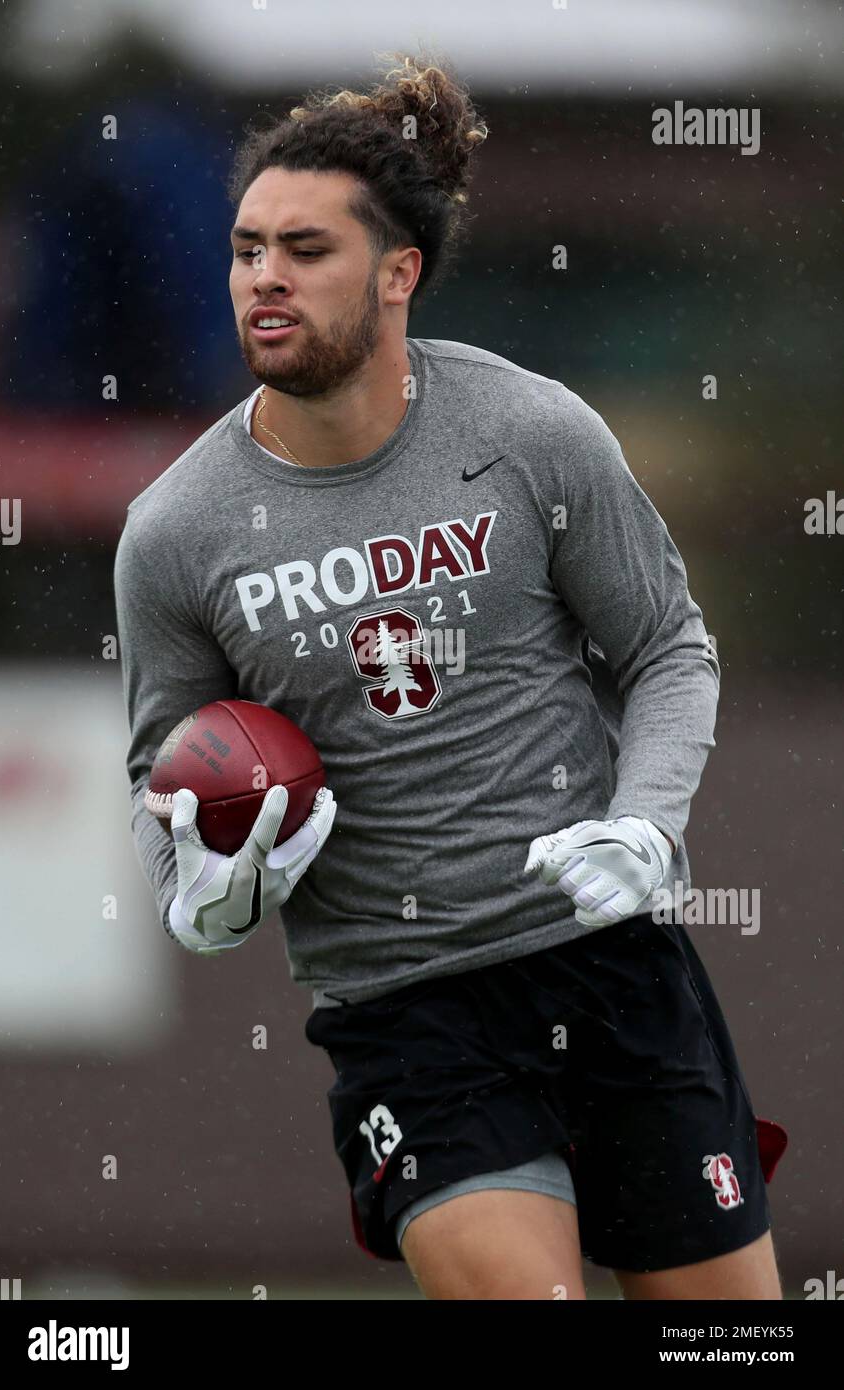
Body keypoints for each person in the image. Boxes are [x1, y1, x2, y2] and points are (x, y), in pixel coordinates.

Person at [114, 53, 787, 1300]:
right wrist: (196, 903)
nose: (264, 276)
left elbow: (666, 649)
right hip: (405, 1012)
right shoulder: (175, 532)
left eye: (305, 249)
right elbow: (159, 784)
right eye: (246, 247)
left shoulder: (531, 431)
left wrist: (646, 824)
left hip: (608, 964)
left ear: (398, 271)